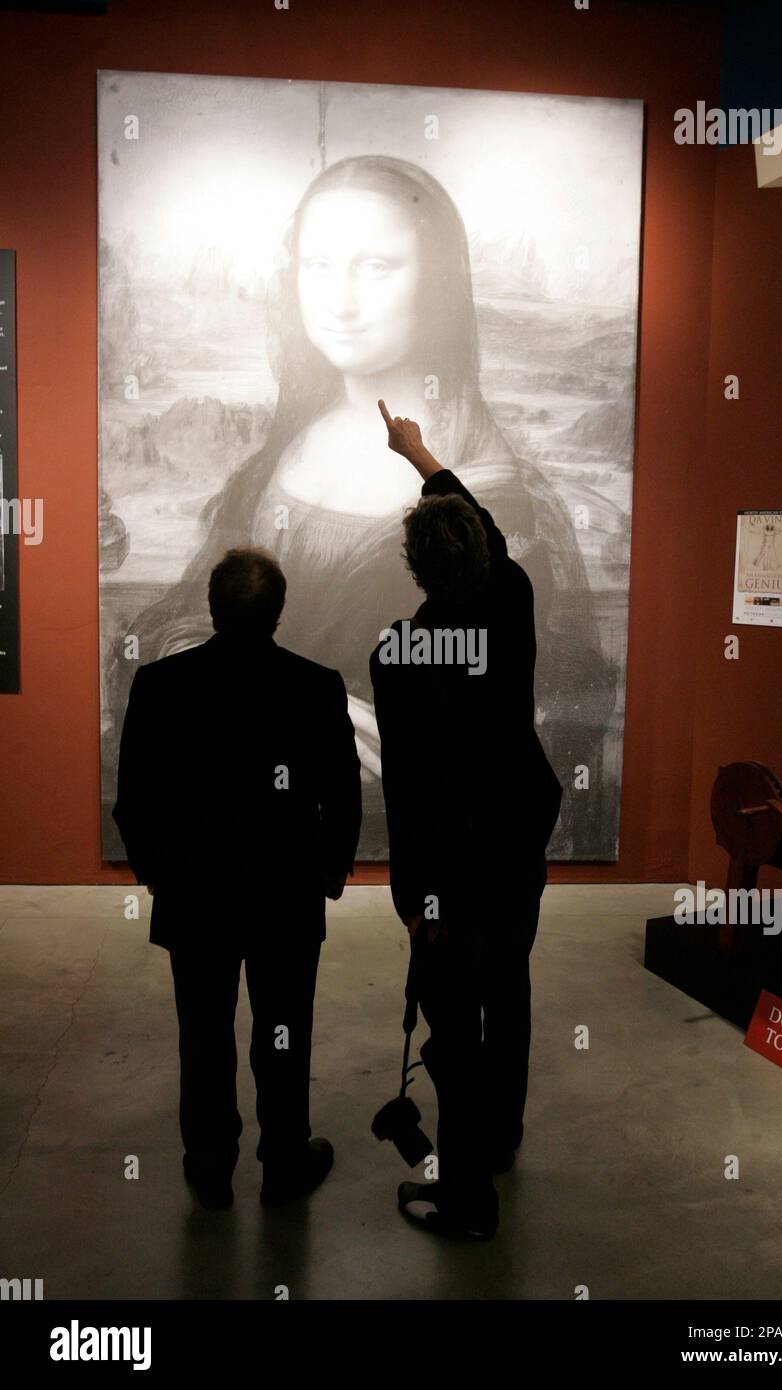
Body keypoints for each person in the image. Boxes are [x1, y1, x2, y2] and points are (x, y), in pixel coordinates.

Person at [104, 154, 615, 868]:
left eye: (376, 266)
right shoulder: (276, 460)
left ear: (435, 281)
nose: (339, 299)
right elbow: (192, 614)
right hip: (246, 805)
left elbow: (529, 695)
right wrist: (243, 689)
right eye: (317, 265)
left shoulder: (497, 494)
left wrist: (384, 725)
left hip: (408, 823)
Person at [112, 547, 362, 1210]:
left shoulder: (162, 685)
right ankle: (283, 1165)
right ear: (278, 612)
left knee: (203, 1033)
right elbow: (342, 797)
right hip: (285, 895)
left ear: (212, 608)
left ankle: (210, 1165)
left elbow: (134, 799)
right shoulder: (315, 685)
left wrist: (159, 873)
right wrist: (327, 877)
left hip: (197, 891)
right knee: (283, 1033)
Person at [370, 401, 563, 1240]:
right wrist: (421, 457)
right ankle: (501, 1134)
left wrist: (416, 899)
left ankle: (467, 1197)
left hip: (450, 867)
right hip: (515, 835)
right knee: (509, 984)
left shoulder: (401, 656)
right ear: (486, 556)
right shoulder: (512, 597)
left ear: (415, 571)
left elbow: (412, 794)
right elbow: (482, 527)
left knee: (452, 1027)